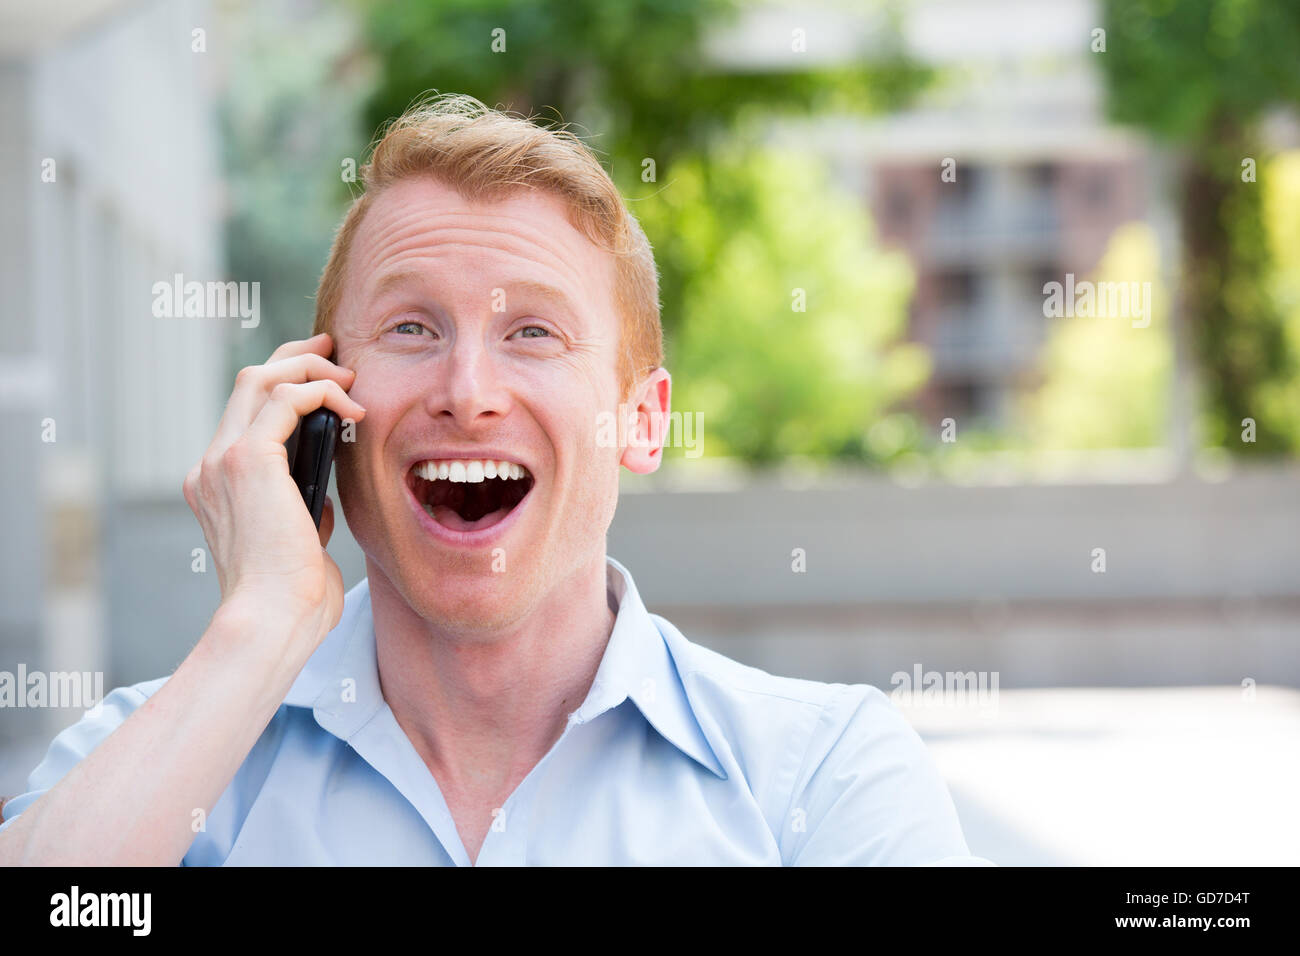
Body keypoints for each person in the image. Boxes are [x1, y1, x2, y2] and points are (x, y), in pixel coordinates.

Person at [0, 93, 990, 866]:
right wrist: (259, 621)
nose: (468, 391)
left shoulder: (822, 775)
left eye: (532, 333)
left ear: (641, 420)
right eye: (411, 328)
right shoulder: (153, 754)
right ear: (319, 404)